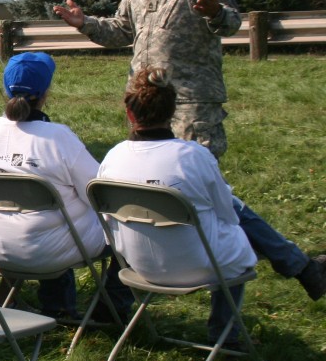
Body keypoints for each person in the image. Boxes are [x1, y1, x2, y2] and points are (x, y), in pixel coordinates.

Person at [97, 67, 326, 342]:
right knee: (238, 221)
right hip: (200, 266)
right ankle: (225, 333)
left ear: (129, 114)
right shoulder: (192, 155)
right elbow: (228, 214)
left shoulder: (114, 156)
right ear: (173, 112)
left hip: (137, 265)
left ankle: (111, 310)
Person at [53, 0, 242, 159]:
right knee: (146, 171)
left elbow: (232, 24)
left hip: (188, 98)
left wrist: (215, 13)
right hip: (144, 100)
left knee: (193, 168)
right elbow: (122, 31)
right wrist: (85, 23)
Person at [0, 52, 106, 320]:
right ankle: (103, 313)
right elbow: (99, 193)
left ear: (6, 89)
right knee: (100, 227)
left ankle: (50, 304)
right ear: (46, 92)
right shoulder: (59, 137)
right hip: (51, 252)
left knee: (50, 219)